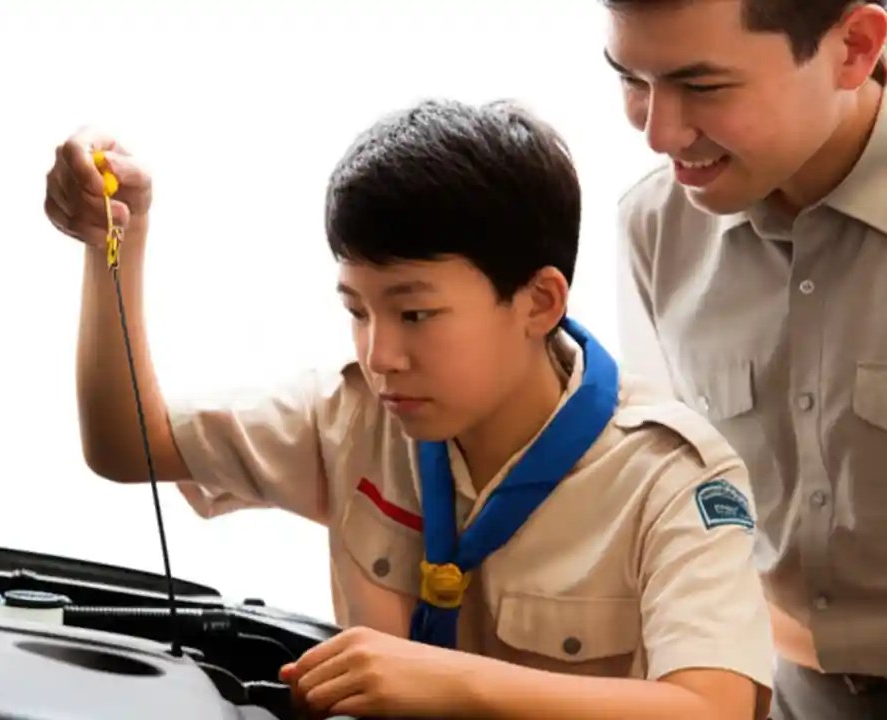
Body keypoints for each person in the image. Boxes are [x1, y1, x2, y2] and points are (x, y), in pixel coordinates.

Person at [45, 98, 774, 719]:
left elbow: (713, 707)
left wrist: (451, 685)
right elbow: (126, 447)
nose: (380, 354)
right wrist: (115, 239)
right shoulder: (356, 415)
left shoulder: (670, 479)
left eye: (416, 315)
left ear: (539, 302)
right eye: (357, 311)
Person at [606, 0, 887, 716]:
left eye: (702, 87)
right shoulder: (656, 226)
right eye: (631, 79)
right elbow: (675, 485)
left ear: (853, 47)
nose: (658, 133)